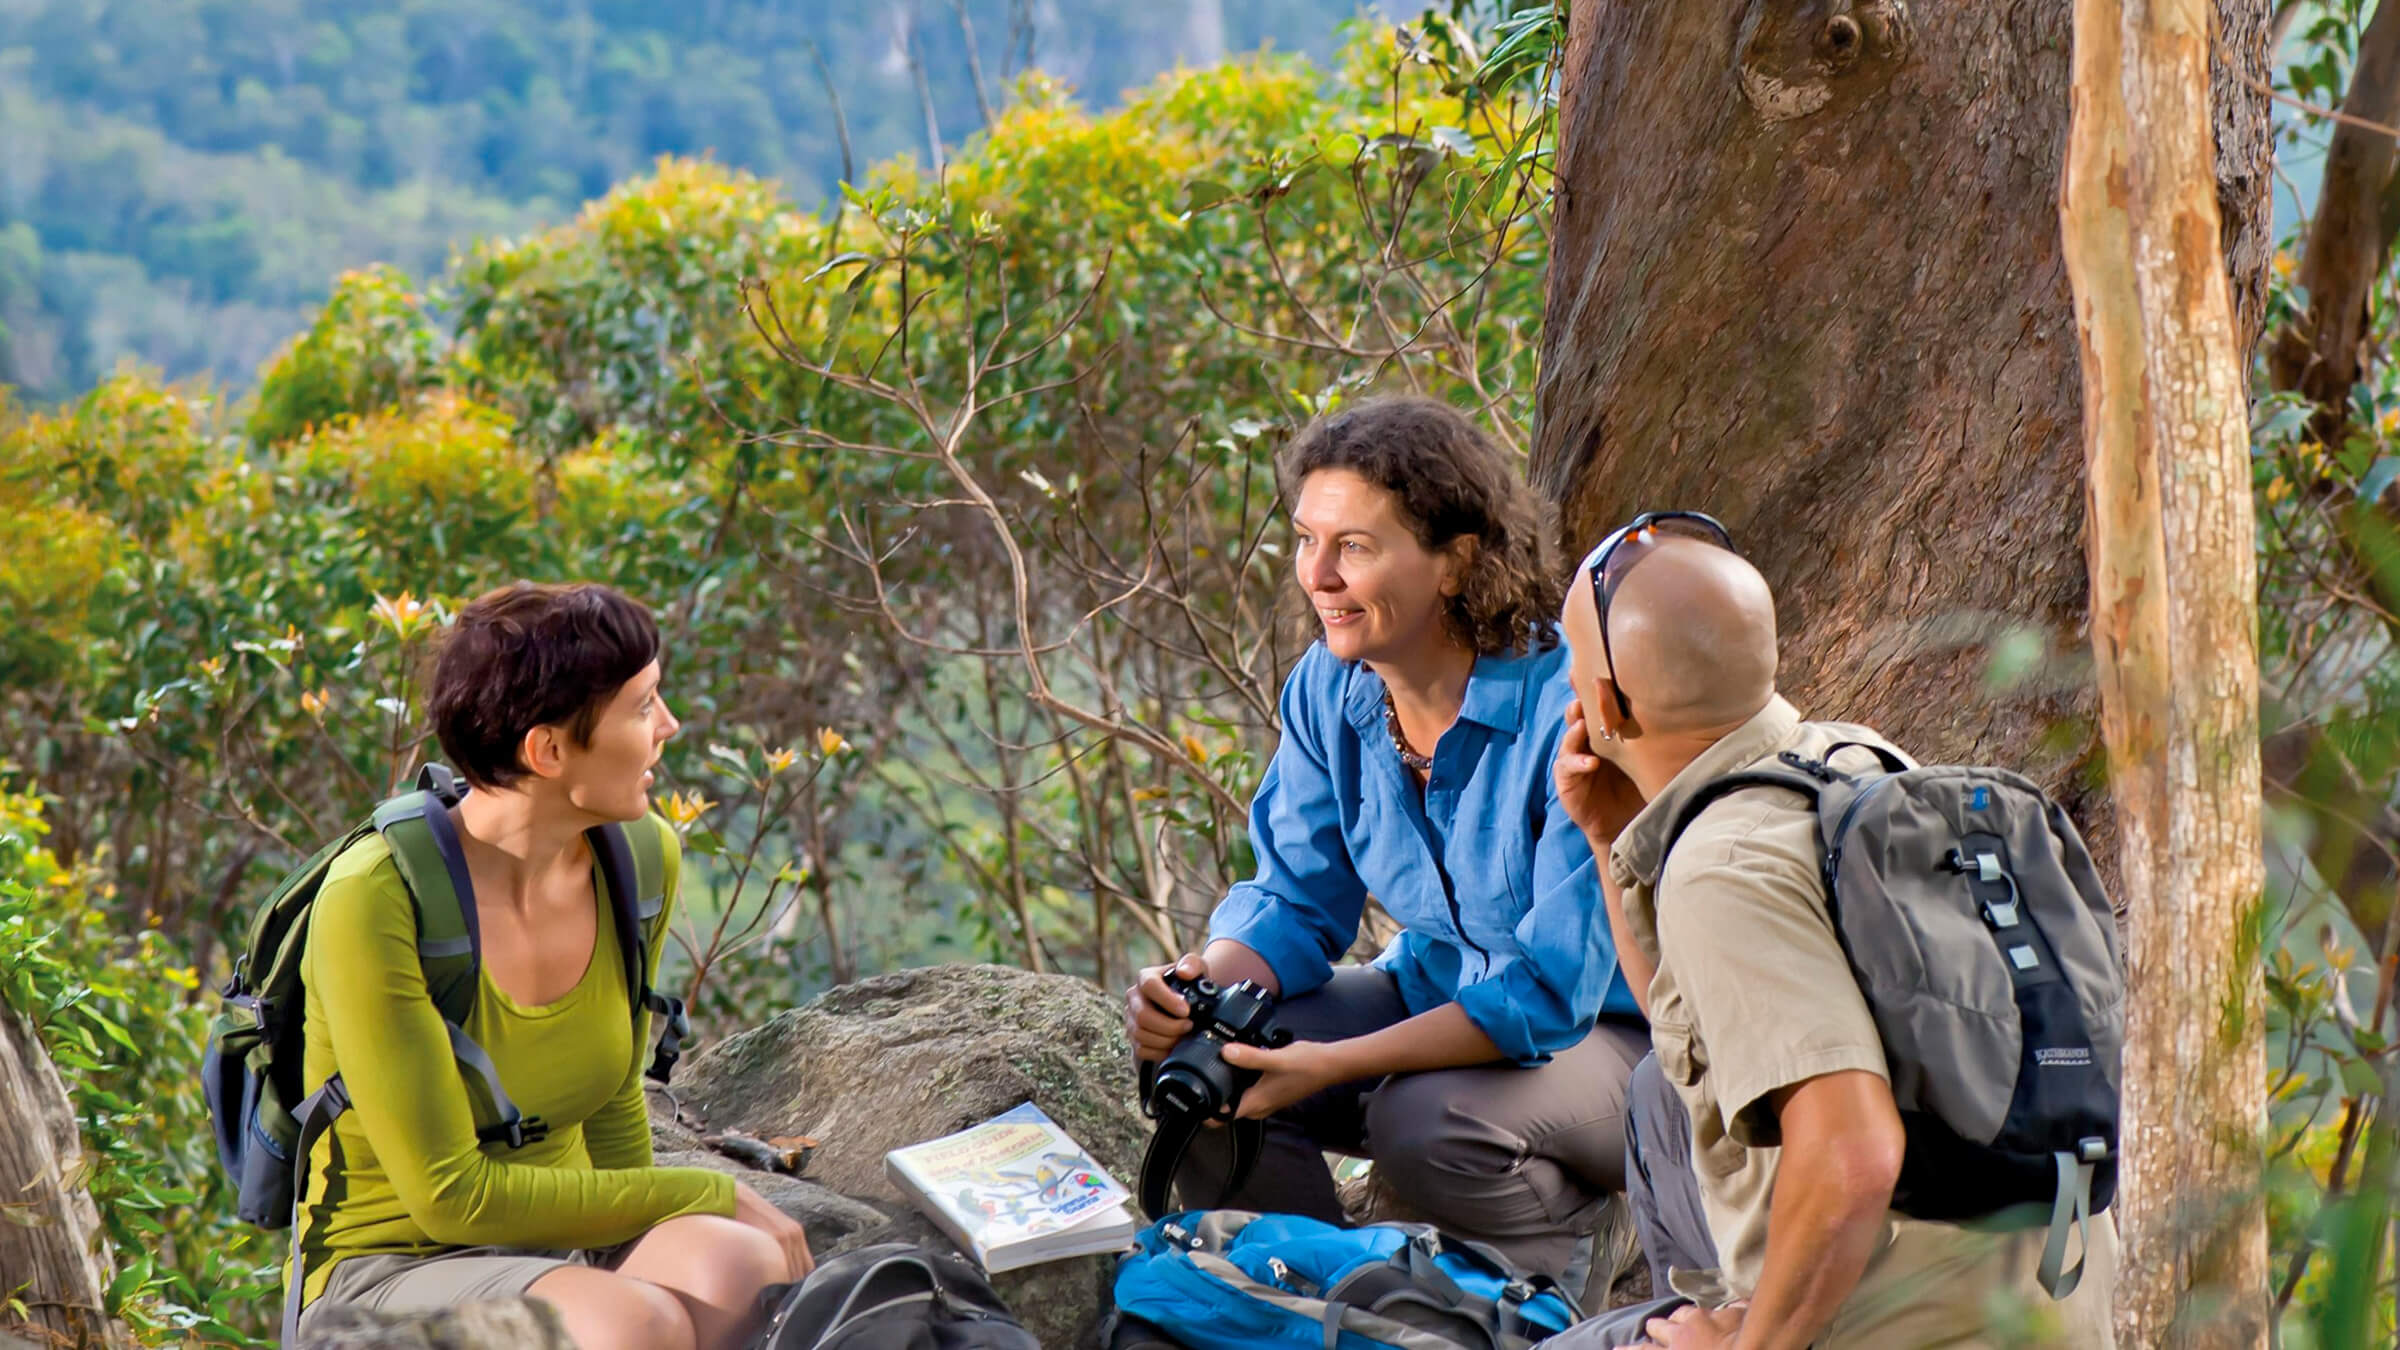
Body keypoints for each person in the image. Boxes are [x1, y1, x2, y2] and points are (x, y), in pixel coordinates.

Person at [1546, 516, 2116, 1348]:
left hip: (1910, 1326)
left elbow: (1852, 1152)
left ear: (1603, 702)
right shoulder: (1857, 765)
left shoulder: (1723, 864)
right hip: (2042, 1298)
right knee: (1657, 1097)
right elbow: (1694, 1034)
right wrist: (1608, 840)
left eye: (1573, 668)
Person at [1122, 395, 1646, 1283]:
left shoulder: (1571, 705)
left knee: (1424, 1119)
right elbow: (1293, 898)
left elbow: (1551, 993)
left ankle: (1560, 1267)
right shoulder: (1330, 691)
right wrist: (1200, 985)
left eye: (1353, 546)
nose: (1316, 574)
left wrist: (1336, 1062)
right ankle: (1316, 1296)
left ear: (1455, 563)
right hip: (1439, 990)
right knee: (1207, 1068)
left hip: (1615, 1041)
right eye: (1304, 539)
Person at [291, 583, 813, 1350]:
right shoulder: (375, 901)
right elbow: (450, 1199)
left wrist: (674, 1226)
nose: (668, 726)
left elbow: (610, 1105)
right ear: (549, 750)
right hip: (390, 1276)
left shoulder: (635, 860)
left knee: (746, 1267)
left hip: (559, 1248)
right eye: (641, 708)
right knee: (638, 1325)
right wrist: (713, 1189)